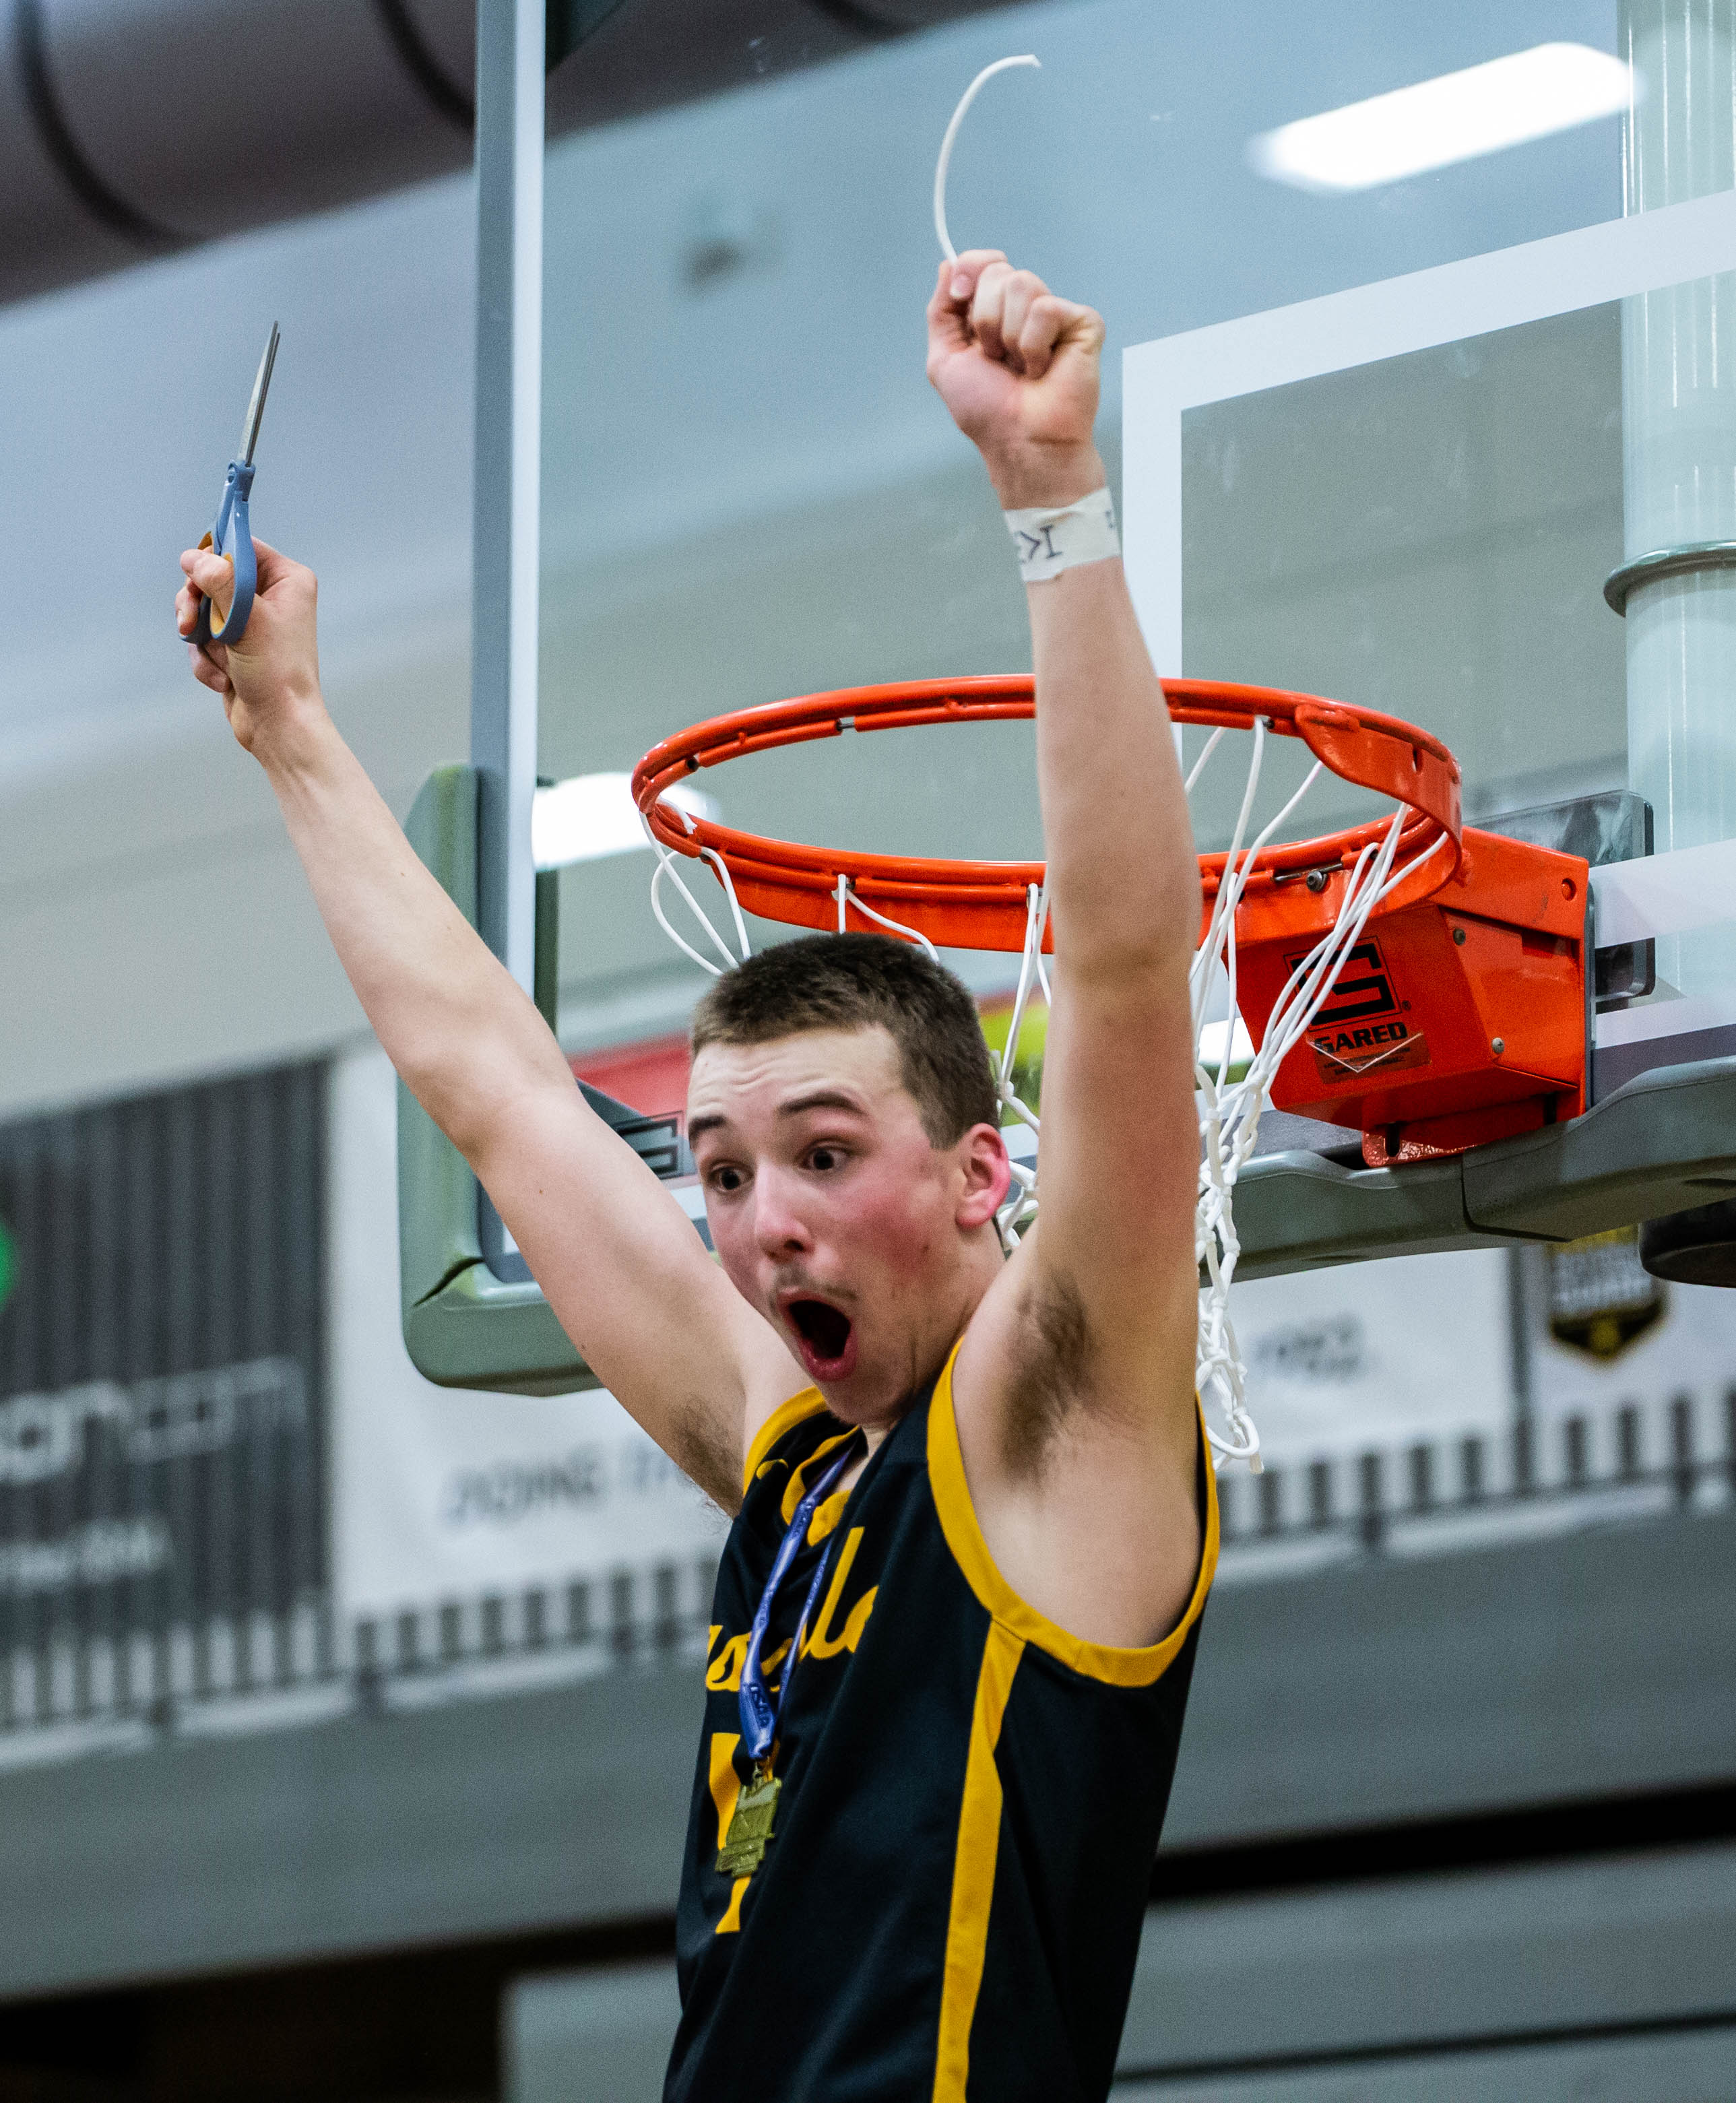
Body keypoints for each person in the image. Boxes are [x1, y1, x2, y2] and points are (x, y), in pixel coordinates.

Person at [177, 251, 1215, 2102]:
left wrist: (1053, 496)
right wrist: (290, 727)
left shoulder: (1059, 1423)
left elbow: (1130, 966)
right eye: (722, 1174)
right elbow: (500, 1091)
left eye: (822, 1153)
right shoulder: (802, 1463)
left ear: (982, 1172)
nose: (761, 1223)